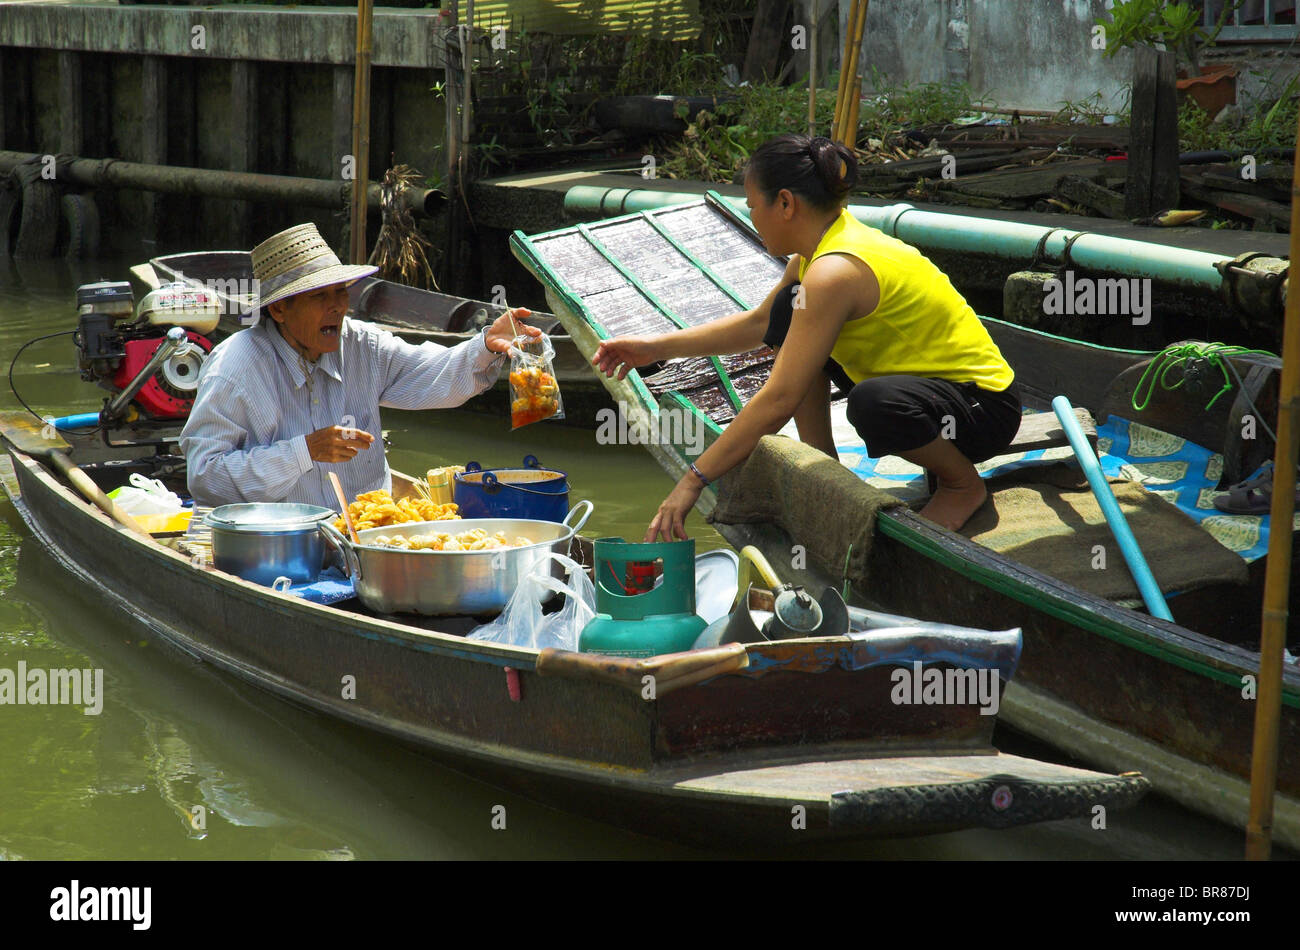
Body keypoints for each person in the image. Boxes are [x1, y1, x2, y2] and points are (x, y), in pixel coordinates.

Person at [592, 133, 1020, 539]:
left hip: (983, 408)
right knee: (785, 309)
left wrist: (693, 480)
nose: (751, 216)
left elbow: (780, 398)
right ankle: (827, 469)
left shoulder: (835, 271)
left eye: (752, 205)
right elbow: (759, 325)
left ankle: (961, 484)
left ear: (784, 203)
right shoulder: (815, 255)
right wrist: (653, 347)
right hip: (928, 396)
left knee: (872, 404)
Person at [180, 222, 539, 509]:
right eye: (319, 296)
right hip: (281, 549)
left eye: (340, 291)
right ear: (279, 309)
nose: (337, 306)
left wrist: (486, 345)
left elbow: (432, 375)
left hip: (365, 536)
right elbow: (205, 478)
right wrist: (302, 452)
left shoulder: (360, 344)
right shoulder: (235, 367)